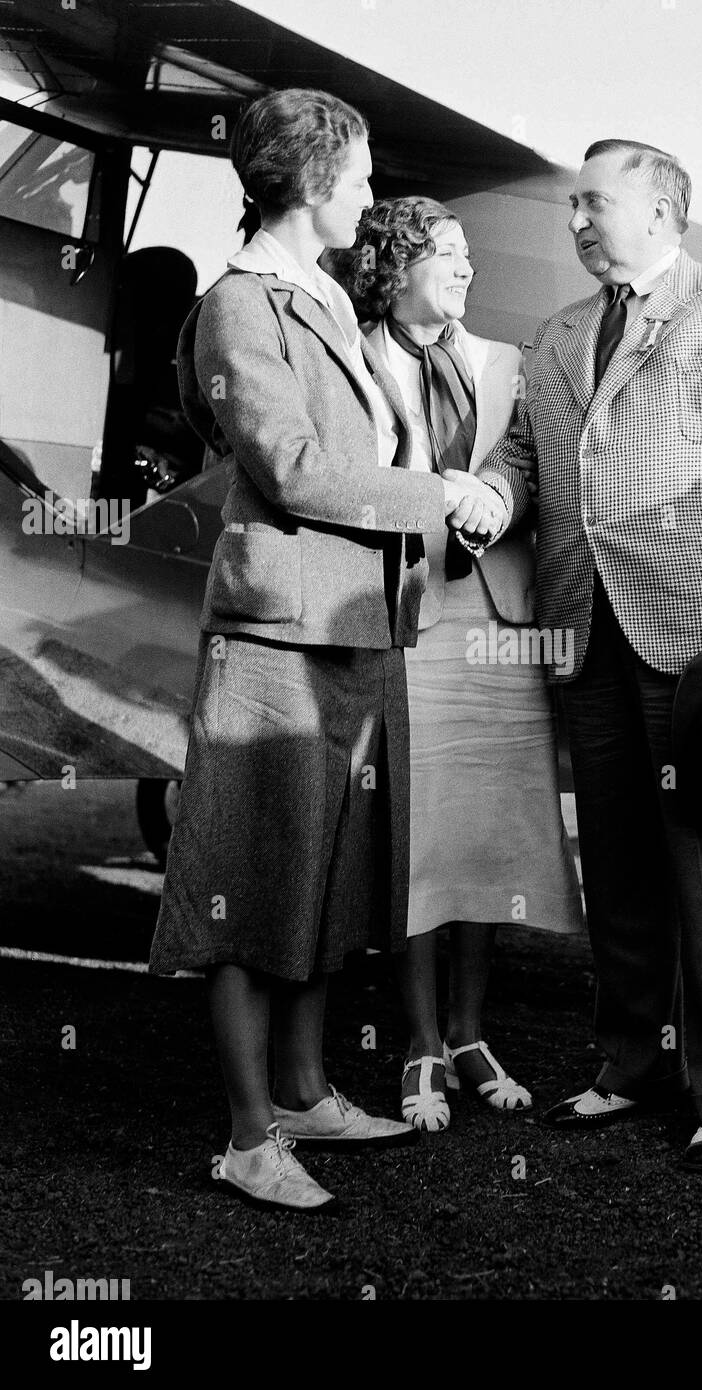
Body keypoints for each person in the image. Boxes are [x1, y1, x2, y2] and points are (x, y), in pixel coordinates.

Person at [461, 138, 702, 1172]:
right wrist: (491, 493)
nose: (574, 220)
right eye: (570, 206)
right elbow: (526, 453)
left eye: (593, 202)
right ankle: (632, 1066)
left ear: (662, 210)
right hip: (585, 632)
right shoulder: (558, 333)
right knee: (621, 868)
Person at [147, 88, 493, 1210]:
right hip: (275, 636)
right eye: (355, 176)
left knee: (328, 879)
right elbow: (292, 469)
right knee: (249, 885)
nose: (368, 193)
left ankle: (302, 1090)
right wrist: (438, 492)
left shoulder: (325, 303)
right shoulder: (240, 307)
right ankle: (250, 1136)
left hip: (353, 629)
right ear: (305, 181)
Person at [332, 196, 583, 1131]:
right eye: (447, 253)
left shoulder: (511, 366)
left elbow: (539, 476)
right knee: (420, 839)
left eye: (470, 252)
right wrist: (437, 492)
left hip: (502, 624)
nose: (468, 268)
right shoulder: (353, 357)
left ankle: (473, 1036)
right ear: (393, 268)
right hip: (411, 621)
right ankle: (420, 1041)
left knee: (490, 839)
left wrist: (496, 503)